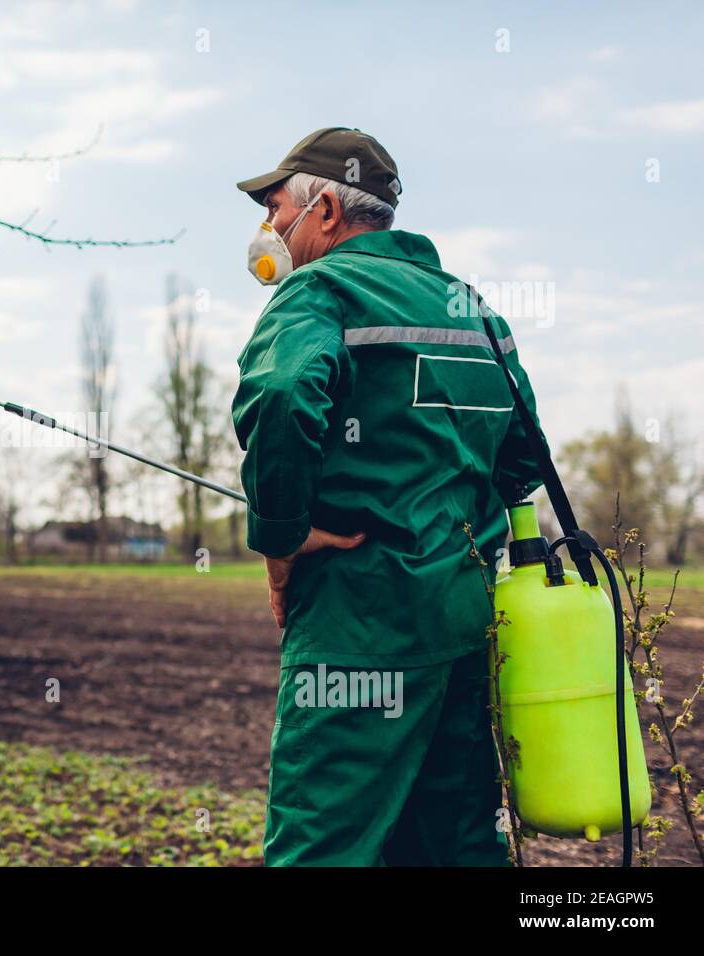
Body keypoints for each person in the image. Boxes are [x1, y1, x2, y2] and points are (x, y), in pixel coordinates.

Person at [232, 127, 547, 866]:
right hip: (468, 630)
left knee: (325, 847)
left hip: (358, 625)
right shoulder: (471, 306)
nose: (269, 228)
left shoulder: (319, 289)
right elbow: (524, 455)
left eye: (275, 207)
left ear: (328, 211)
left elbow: (281, 393)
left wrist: (283, 537)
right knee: (458, 845)